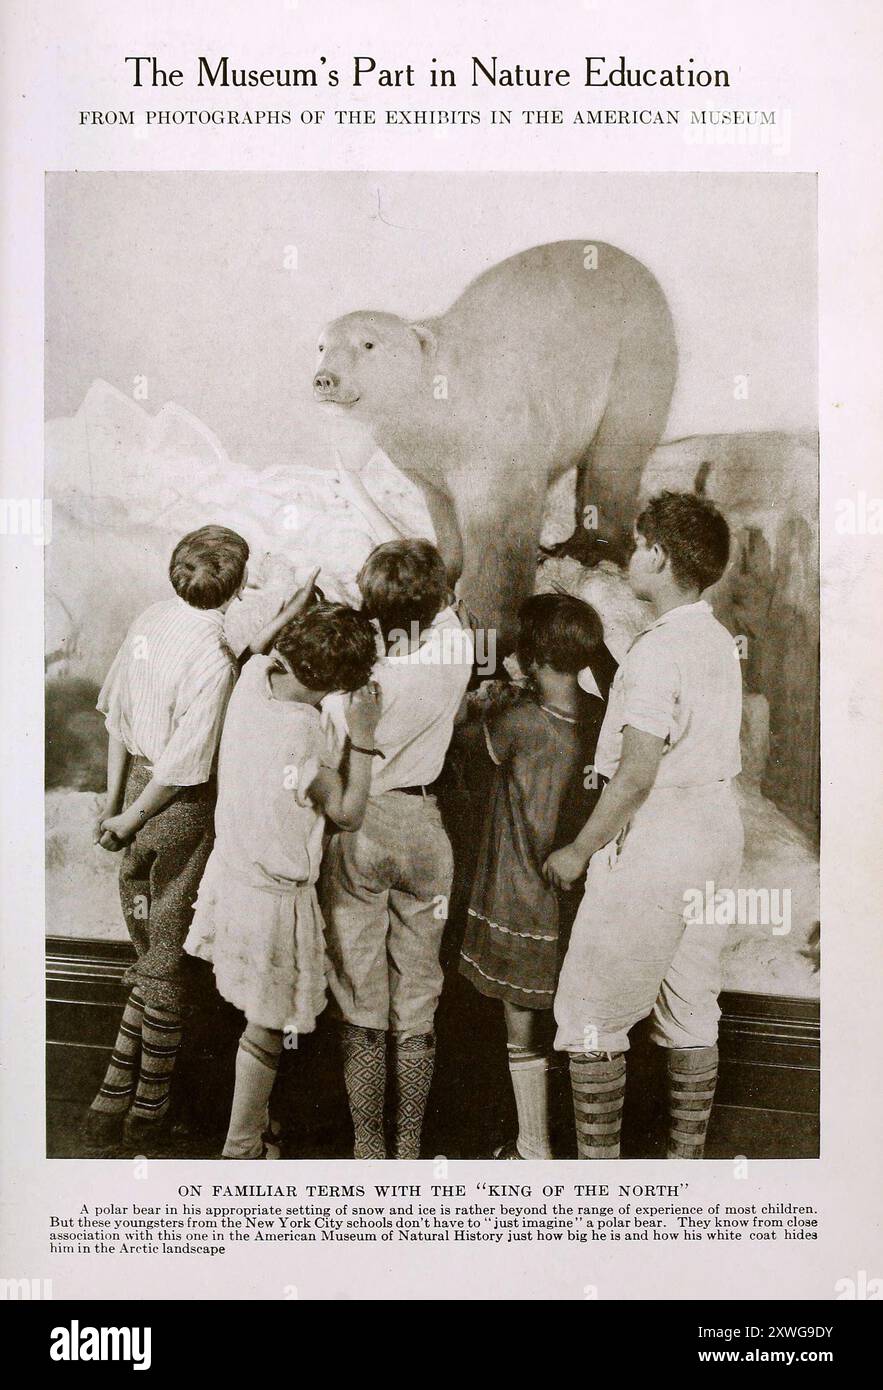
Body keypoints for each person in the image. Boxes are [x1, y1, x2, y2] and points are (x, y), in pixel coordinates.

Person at [545, 492, 743, 1160]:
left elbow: (635, 774)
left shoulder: (659, 652)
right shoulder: (711, 637)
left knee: (590, 1018)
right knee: (690, 1005)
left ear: (656, 557)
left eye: (635, 543)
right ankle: (682, 1168)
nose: (629, 553)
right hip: (715, 828)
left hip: (658, 835)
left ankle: (599, 1193)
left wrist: (578, 849)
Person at [184, 602, 380, 1159]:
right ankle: (240, 1148)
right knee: (270, 1024)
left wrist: (297, 602)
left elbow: (260, 647)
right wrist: (363, 739)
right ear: (339, 687)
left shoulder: (251, 678)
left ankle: (255, 1130)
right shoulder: (306, 735)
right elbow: (346, 813)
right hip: (274, 899)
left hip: (232, 877)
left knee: (252, 1010)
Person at [83, 525, 249, 1154]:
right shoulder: (219, 652)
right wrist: (131, 816)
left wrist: (114, 801)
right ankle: (146, 1105)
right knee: (167, 958)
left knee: (153, 948)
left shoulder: (150, 620)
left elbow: (117, 715)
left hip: (132, 796)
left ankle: (114, 1091)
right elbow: (188, 761)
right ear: (234, 587)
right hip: (177, 807)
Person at [319, 539, 474, 1159]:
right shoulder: (456, 651)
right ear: (438, 602)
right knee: (418, 991)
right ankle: (409, 1144)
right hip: (427, 830)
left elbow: (329, 746)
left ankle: (368, 1147)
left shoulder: (356, 690)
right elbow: (448, 613)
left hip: (363, 827)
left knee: (360, 990)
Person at [458, 593, 615, 1159]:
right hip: (578, 898)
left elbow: (465, 745)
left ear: (532, 656)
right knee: (578, 1018)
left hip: (520, 892)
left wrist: (483, 697)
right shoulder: (601, 715)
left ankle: (534, 1146)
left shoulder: (518, 720)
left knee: (521, 1026)